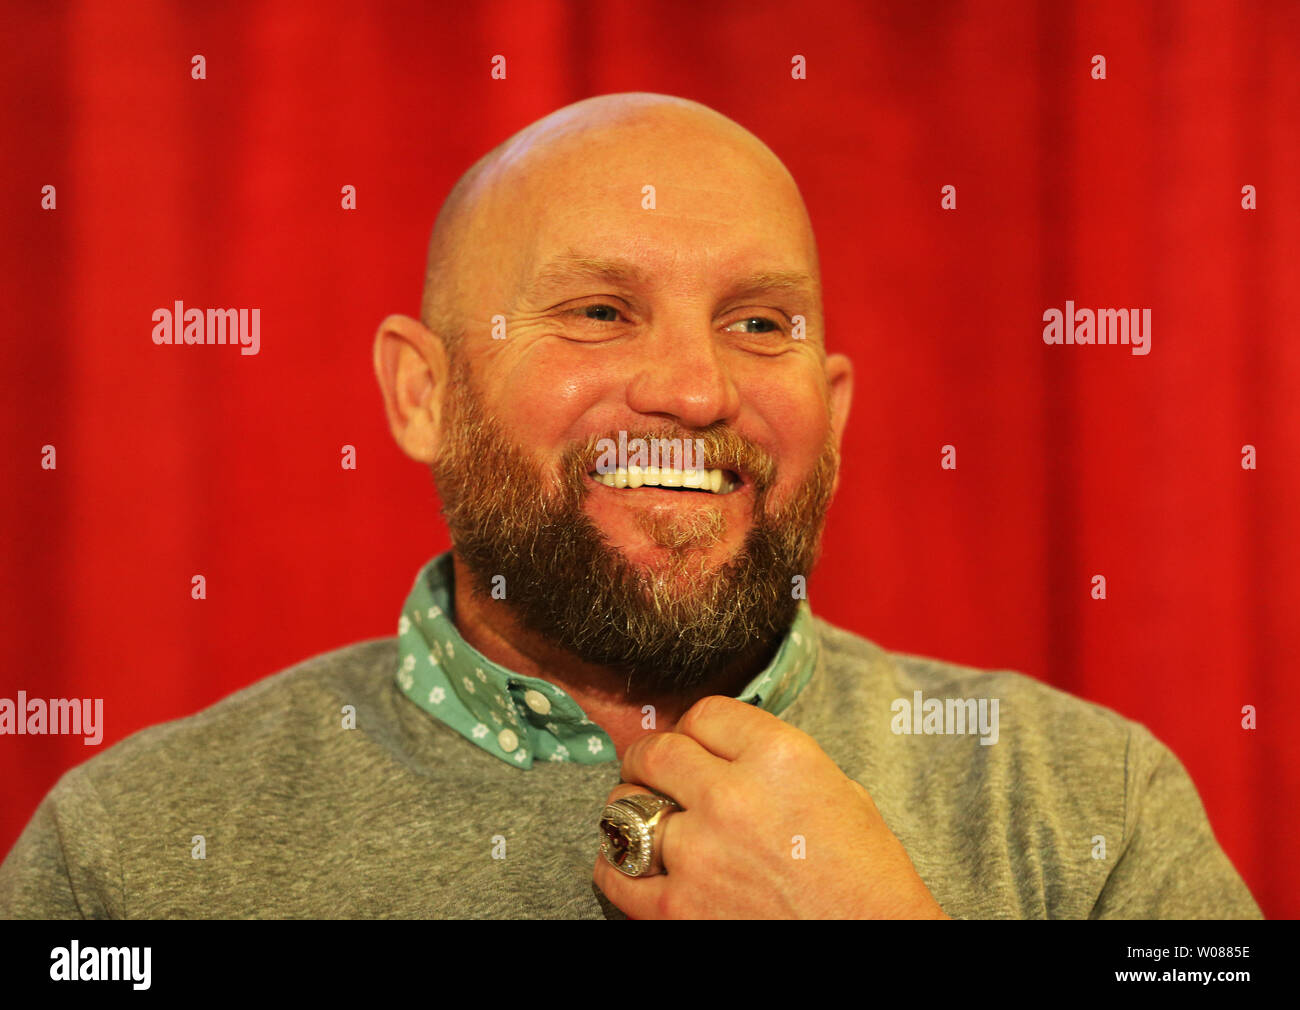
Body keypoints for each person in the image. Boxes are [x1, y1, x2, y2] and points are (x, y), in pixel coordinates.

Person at [0, 93, 1261, 919]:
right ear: (420, 392)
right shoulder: (130, 857)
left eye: (755, 323)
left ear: (833, 407)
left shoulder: (1093, 804)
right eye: (599, 310)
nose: (695, 386)